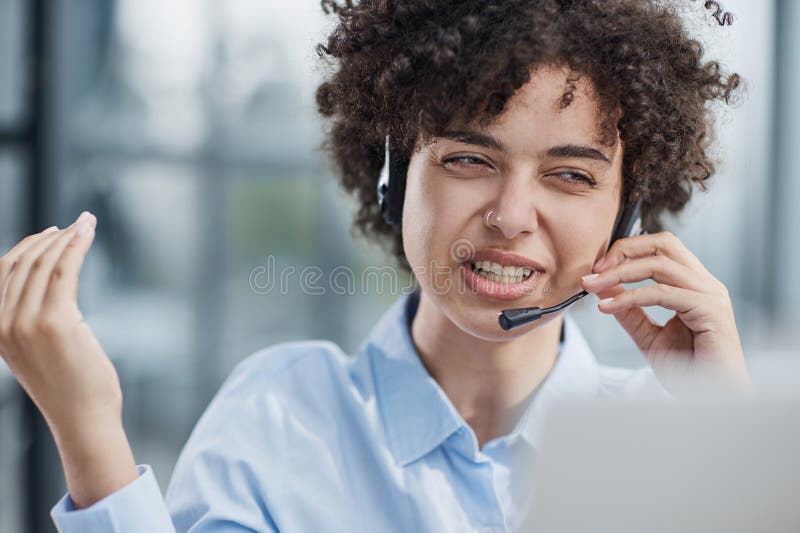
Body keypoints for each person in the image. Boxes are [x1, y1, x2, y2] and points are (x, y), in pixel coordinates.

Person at [0, 0, 751, 531]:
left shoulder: (670, 431)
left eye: (571, 175)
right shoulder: (280, 416)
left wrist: (727, 438)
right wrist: (90, 430)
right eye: (467, 158)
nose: (512, 215)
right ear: (393, 172)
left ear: (627, 211)